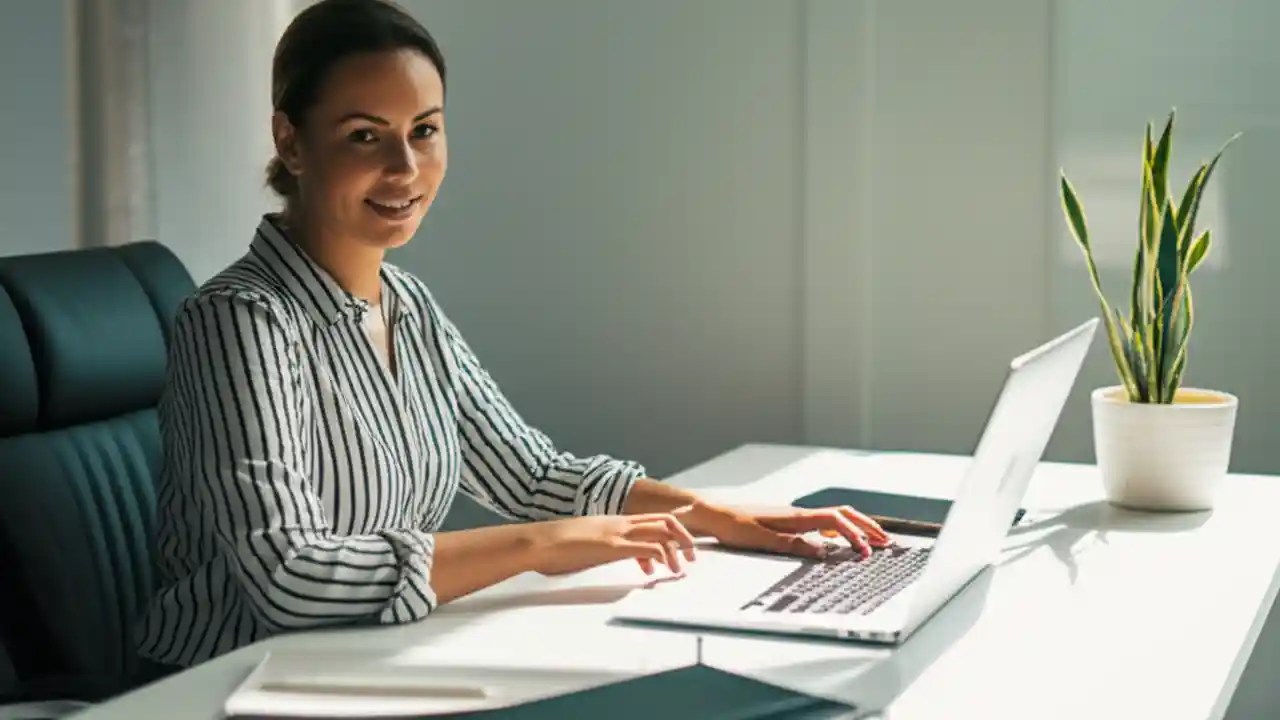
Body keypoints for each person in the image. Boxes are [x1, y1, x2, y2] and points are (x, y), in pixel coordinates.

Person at [135, 0, 889, 670]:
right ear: (292, 142)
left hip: (360, 661)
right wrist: (542, 545)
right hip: (223, 685)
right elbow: (289, 575)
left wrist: (716, 514)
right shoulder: (240, 320)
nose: (406, 168)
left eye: (424, 131)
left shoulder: (408, 307)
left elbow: (533, 477)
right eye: (365, 136)